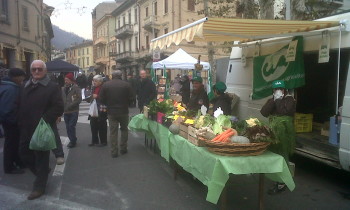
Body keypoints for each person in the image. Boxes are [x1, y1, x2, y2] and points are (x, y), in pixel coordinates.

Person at [18, 60, 64, 200]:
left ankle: (39, 187)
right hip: (25, 127)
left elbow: (58, 107)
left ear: (45, 71)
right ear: (30, 71)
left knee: (41, 158)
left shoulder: (52, 87)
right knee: (23, 153)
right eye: (34, 69)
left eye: (39, 69)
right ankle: (41, 172)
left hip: (41, 128)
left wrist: (43, 120)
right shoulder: (25, 85)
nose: (36, 71)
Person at [260, 80, 296, 195]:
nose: (277, 91)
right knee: (273, 155)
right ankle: (275, 177)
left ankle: (282, 182)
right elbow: (264, 112)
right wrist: (273, 101)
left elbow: (282, 112)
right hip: (273, 131)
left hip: (284, 133)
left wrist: (279, 100)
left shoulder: (290, 100)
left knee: (282, 155)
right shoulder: (272, 99)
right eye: (276, 89)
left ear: (284, 90)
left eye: (280, 89)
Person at [100, 70, 135, 157]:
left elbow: (101, 99)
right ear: (121, 75)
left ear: (112, 76)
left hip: (111, 112)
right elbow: (132, 97)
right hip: (123, 111)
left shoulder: (106, 85)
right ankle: (123, 148)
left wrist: (107, 103)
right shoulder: (126, 85)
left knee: (113, 132)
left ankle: (114, 151)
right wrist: (128, 104)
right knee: (124, 129)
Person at [0, 68, 26, 174]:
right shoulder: (11, 89)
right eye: (22, 77)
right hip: (11, 122)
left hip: (9, 121)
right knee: (11, 144)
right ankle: (9, 167)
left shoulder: (7, 85)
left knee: (14, 143)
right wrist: (16, 121)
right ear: (16, 77)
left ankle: (18, 161)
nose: (23, 80)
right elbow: (8, 109)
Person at [62, 73, 82, 148]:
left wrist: (71, 105)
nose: (66, 81)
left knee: (71, 126)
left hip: (73, 111)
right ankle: (72, 139)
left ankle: (73, 141)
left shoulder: (76, 88)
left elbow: (79, 99)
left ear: (71, 80)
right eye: (65, 80)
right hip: (66, 111)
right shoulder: (63, 88)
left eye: (67, 80)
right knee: (68, 127)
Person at [87, 75, 108, 147]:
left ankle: (103, 141)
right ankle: (94, 141)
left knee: (102, 125)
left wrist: (98, 96)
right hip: (93, 109)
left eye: (95, 81)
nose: (94, 82)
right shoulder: (93, 87)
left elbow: (107, 98)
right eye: (93, 80)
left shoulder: (104, 87)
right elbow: (91, 97)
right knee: (93, 125)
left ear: (100, 82)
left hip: (102, 108)